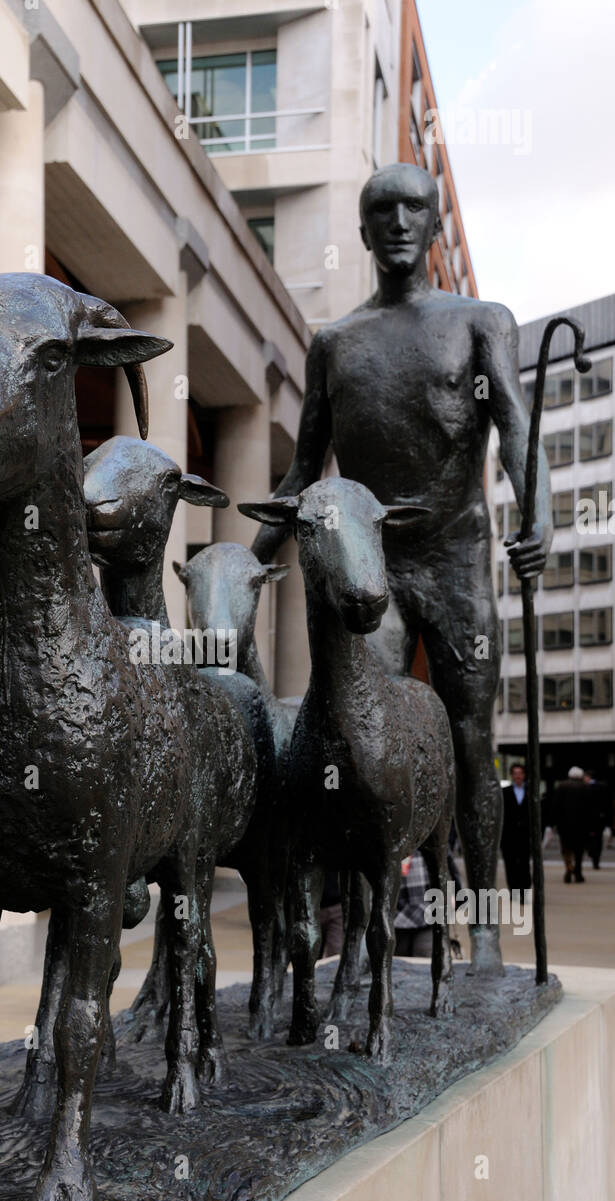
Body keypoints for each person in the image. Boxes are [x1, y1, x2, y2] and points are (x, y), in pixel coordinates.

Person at [252, 162, 552, 977]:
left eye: (411, 208)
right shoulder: (334, 344)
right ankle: (363, 933)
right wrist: (244, 567)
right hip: (372, 567)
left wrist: (541, 516)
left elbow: (517, 429)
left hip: (455, 557)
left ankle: (484, 929)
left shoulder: (480, 322)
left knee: (467, 739)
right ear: (362, 230)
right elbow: (302, 469)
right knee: (358, 735)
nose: (395, 222)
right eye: (379, 210)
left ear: (432, 225)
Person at [551, 767, 594, 883]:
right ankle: (578, 871)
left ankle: (569, 867)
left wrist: (555, 822)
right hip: (581, 825)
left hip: (564, 824)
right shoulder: (585, 787)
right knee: (579, 850)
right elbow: (590, 809)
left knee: (566, 848)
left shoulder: (561, 786)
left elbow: (556, 806)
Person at [501, 762, 531, 897]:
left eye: (520, 773)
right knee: (511, 863)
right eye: (515, 774)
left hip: (525, 835)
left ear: (524, 775)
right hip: (509, 835)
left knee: (524, 863)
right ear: (512, 775)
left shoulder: (530, 791)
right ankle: (514, 889)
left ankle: (524, 888)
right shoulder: (504, 792)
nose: (518, 776)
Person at [583, 770, 610, 870]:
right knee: (598, 839)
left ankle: (591, 852)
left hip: (588, 818)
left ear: (588, 777)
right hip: (600, 818)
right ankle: (596, 859)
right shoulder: (602, 787)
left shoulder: (585, 788)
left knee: (589, 838)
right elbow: (607, 803)